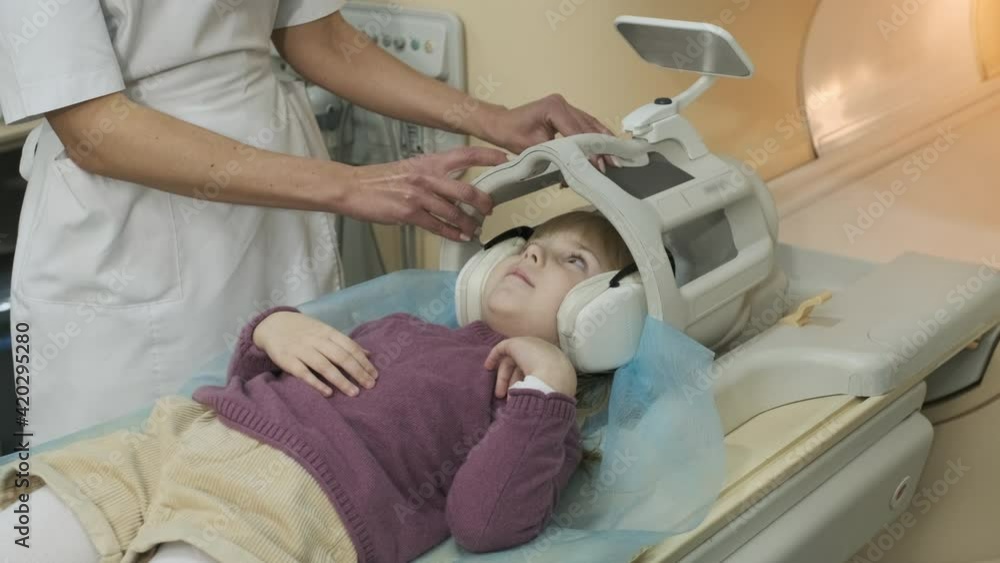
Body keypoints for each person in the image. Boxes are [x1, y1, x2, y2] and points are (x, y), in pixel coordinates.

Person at [0, 1, 615, 444]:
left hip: (275, 193)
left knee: (284, 446)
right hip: (131, 216)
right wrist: (350, 185)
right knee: (118, 475)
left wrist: (491, 117)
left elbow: (314, 35)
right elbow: (91, 128)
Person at [0, 211, 632, 563]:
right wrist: (271, 331)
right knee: (29, 530)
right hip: (184, 439)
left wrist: (547, 389)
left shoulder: (535, 418)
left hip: (292, 496)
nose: (533, 257)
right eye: (532, 246)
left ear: (606, 317)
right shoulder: (404, 324)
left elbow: (481, 522)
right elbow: (258, 380)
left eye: (572, 261)